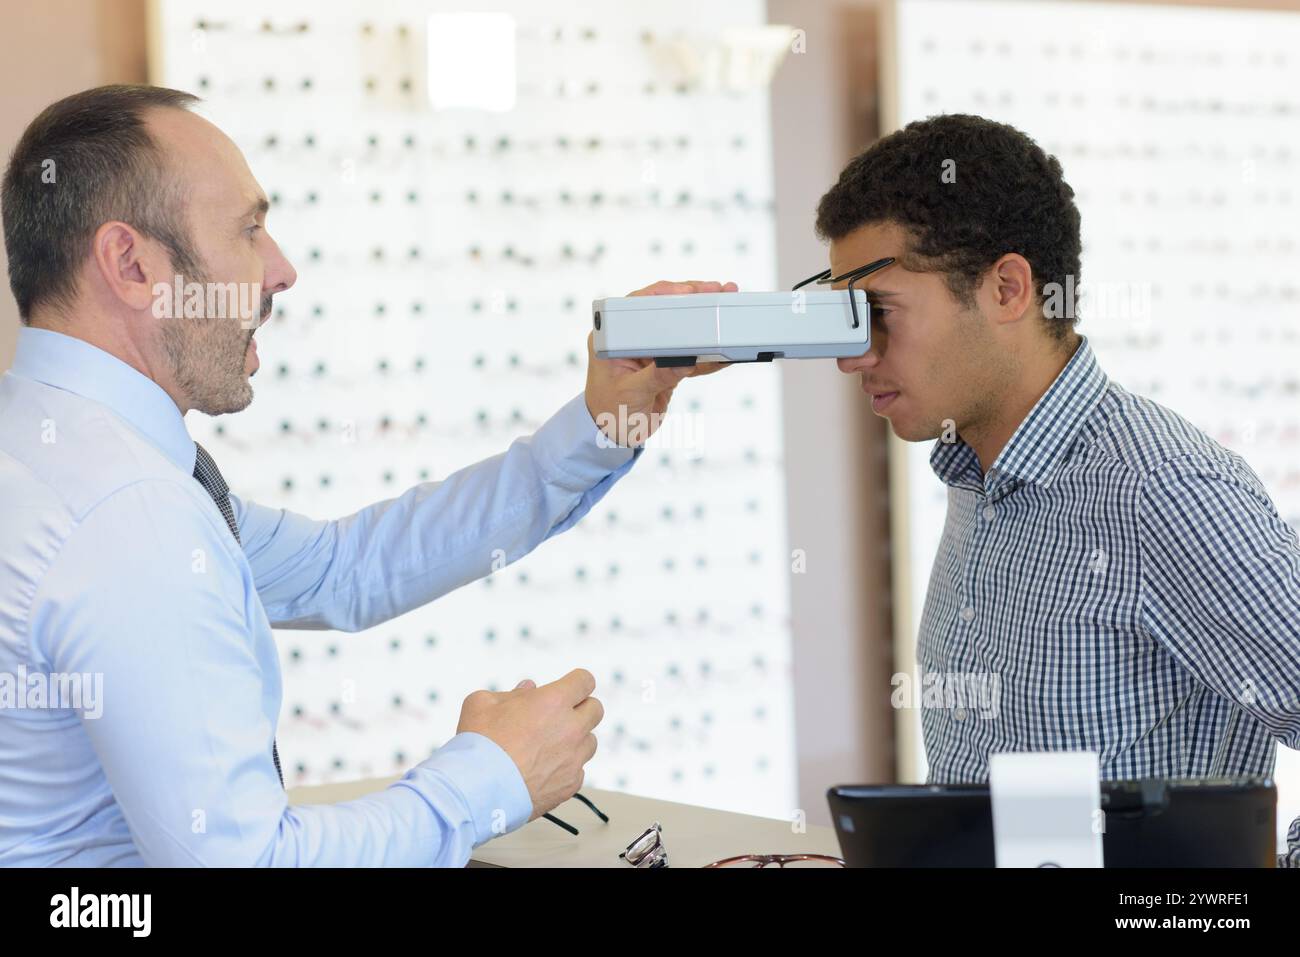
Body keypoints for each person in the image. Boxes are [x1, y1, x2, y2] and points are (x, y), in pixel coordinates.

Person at [0, 84, 732, 866]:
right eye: (249, 230)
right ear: (132, 264)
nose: (280, 271)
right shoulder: (128, 515)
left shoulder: (55, 449)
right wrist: (491, 776)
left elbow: (342, 567)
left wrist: (602, 421)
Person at [818, 113, 1300, 866]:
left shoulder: (1164, 491)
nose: (854, 357)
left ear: (1008, 288)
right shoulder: (970, 473)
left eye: (876, 314)